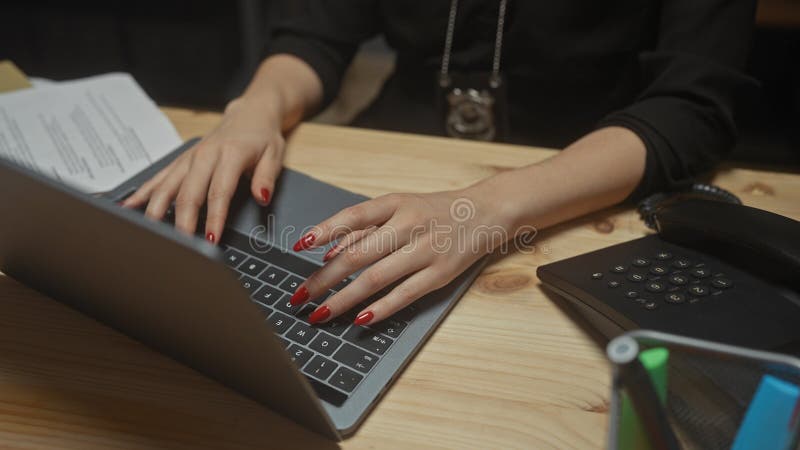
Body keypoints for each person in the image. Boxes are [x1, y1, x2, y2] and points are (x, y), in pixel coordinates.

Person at [122, 0, 756, 326]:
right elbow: (315, 36)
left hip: (581, 173)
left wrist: (485, 209)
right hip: (398, 152)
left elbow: (692, 106)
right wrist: (254, 108)